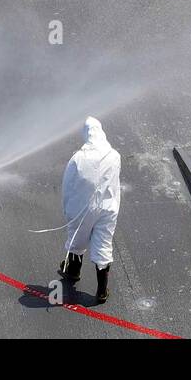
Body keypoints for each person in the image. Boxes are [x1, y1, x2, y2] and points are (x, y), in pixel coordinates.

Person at [57, 117, 122, 303]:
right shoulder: (114, 155)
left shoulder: (78, 157)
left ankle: (72, 270)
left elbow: (68, 184)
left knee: (77, 238)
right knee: (103, 244)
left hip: (83, 207)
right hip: (108, 208)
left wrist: (68, 207)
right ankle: (102, 290)